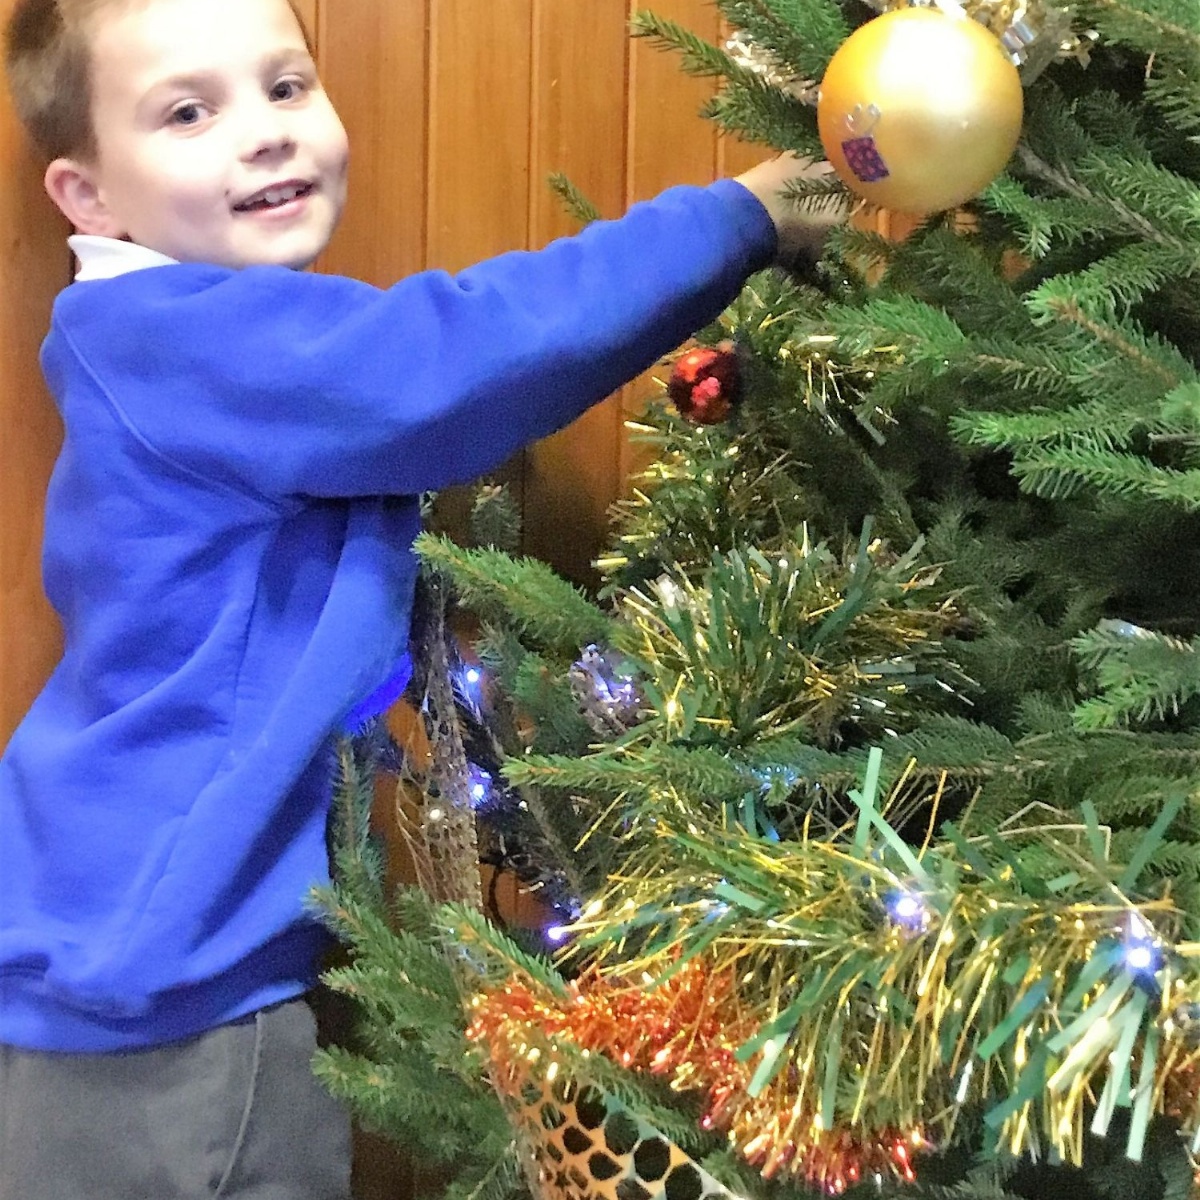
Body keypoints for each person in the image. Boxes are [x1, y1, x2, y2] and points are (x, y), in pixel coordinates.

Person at [0, 0, 841, 1195]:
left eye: (286, 87)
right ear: (88, 199)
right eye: (189, 112)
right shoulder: (187, 341)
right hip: (163, 999)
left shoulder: (165, 341)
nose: (264, 134)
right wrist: (743, 215)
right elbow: (453, 360)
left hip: (132, 958)